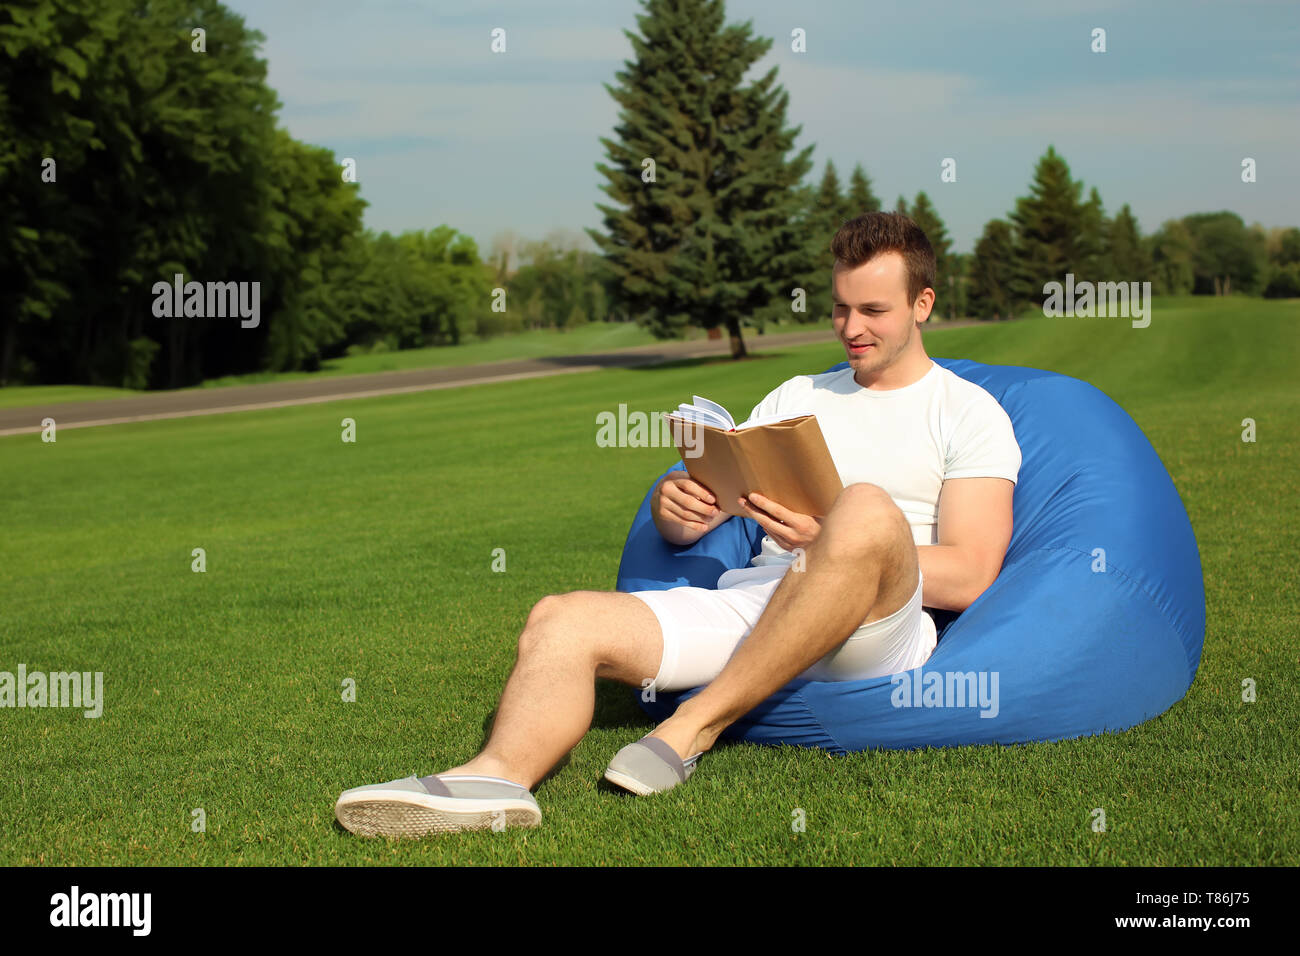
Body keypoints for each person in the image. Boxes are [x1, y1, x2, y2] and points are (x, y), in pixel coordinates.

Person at [334, 211, 1022, 837]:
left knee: (864, 508)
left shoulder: (966, 412)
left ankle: (690, 727)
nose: (850, 329)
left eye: (873, 310)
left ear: (923, 303)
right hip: (763, 600)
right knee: (560, 618)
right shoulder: (799, 395)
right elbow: (733, 492)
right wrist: (679, 510)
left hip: (872, 627)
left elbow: (970, 573)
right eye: (839, 308)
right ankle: (495, 779)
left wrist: (833, 542)